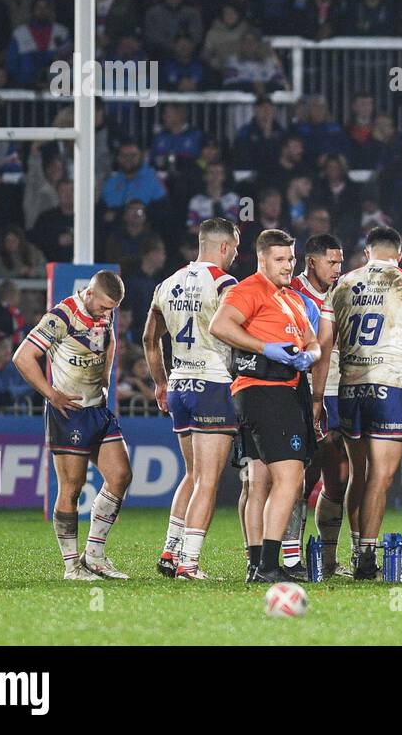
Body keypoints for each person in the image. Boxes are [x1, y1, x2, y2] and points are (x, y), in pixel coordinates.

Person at [311, 226, 402, 580]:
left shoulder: (342, 284)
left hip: (350, 390)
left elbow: (323, 349)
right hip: (390, 388)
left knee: (358, 476)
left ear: (367, 254)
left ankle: (352, 552)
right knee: (380, 480)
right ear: (399, 255)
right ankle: (366, 558)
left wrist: (318, 398)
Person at [208, 228, 321, 584]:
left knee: (261, 480)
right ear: (261, 259)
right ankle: (270, 565)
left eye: (291, 258)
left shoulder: (292, 300)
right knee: (291, 477)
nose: (288, 265)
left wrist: (310, 355)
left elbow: (313, 341)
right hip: (263, 390)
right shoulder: (249, 290)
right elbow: (220, 325)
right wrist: (263, 347)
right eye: (280, 259)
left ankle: (259, 562)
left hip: (285, 389)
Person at [13, 270, 129, 580]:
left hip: (98, 411)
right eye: (104, 307)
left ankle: (94, 554)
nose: (108, 313)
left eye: (112, 310)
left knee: (120, 476)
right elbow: (23, 356)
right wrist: (52, 393)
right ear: (89, 294)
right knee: (72, 488)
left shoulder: (104, 315)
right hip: (69, 413)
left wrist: (105, 377)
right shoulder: (61, 316)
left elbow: (111, 341)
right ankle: (70, 566)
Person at [143, 217, 240, 580]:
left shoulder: (167, 284)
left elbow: (149, 339)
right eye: (236, 246)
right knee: (208, 481)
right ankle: (189, 563)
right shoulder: (225, 282)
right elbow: (234, 330)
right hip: (212, 382)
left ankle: (171, 551)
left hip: (180, 383)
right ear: (225, 247)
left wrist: (159, 383)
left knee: (193, 474)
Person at [290, 233, 353, 578]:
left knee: (339, 476)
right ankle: (291, 557)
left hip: (338, 390)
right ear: (311, 261)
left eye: (341, 261)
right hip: (304, 391)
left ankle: (328, 560)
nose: (338, 268)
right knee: (302, 474)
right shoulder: (292, 293)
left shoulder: (343, 292)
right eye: (332, 261)